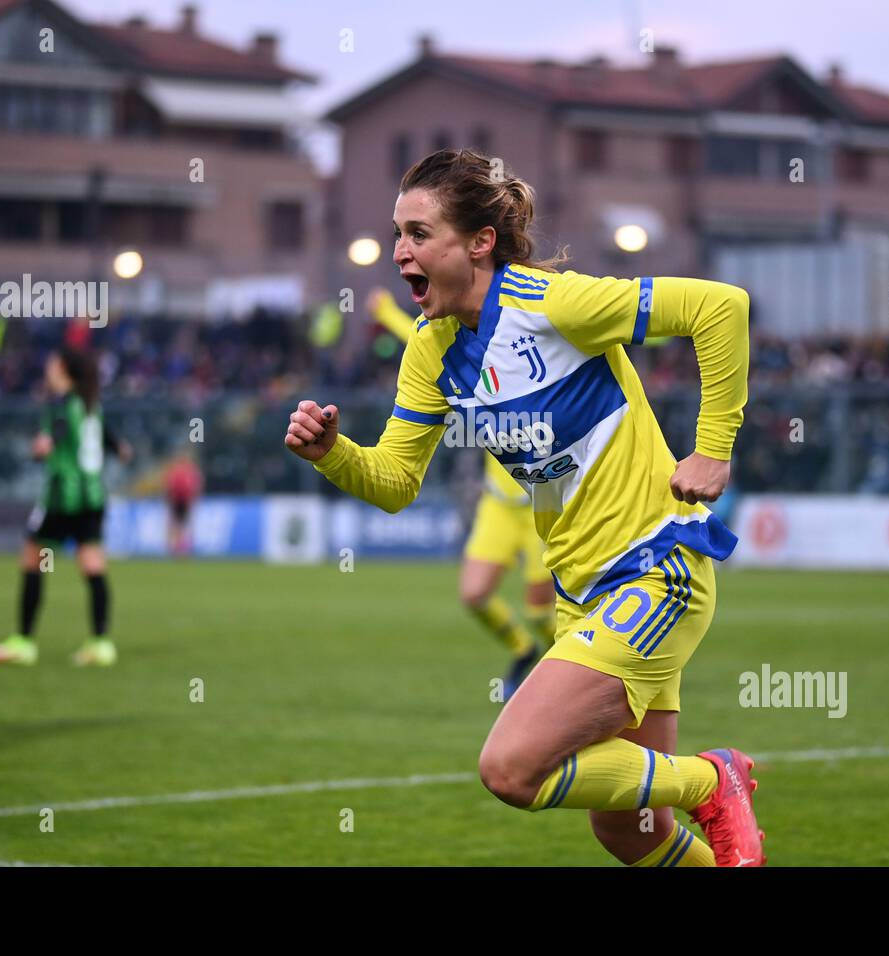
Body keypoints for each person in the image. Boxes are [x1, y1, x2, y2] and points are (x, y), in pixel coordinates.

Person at [287, 150, 763, 866]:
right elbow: (395, 483)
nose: (398, 253)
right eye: (396, 234)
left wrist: (713, 447)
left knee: (510, 768)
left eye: (418, 233)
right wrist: (334, 454)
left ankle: (712, 778)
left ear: (479, 242)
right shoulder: (431, 348)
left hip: (654, 571)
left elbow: (718, 307)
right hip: (583, 597)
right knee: (629, 830)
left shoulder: (551, 305)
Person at [370, 286, 553, 698]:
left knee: (542, 612)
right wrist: (385, 312)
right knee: (473, 595)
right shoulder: (466, 360)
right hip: (499, 505)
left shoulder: (540, 357)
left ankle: (567, 668)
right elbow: (423, 341)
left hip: (545, 502)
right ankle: (524, 652)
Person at [0, 348, 130, 667]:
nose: (47, 368)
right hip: (92, 496)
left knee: (33, 558)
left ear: (64, 370)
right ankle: (101, 643)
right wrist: (119, 448)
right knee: (92, 564)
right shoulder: (90, 402)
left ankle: (24, 642)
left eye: (52, 363)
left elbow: (62, 427)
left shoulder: (64, 402)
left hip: (62, 495)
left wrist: (48, 442)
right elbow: (104, 435)